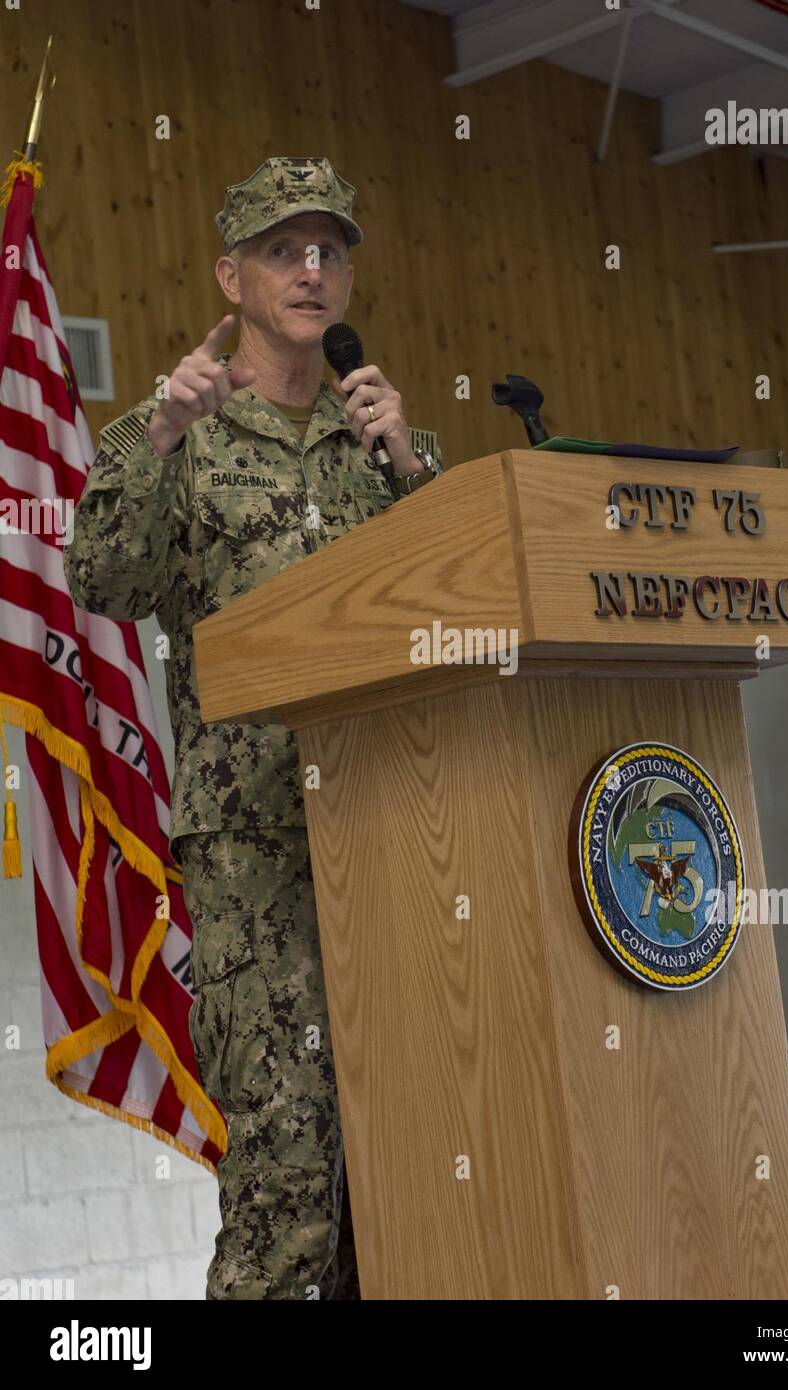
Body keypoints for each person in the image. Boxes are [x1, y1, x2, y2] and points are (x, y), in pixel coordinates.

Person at [63, 156, 443, 1299]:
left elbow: (460, 605)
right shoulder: (181, 434)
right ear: (232, 278)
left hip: (392, 832)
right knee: (288, 1189)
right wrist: (160, 435)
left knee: (407, 1178)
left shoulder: (377, 443)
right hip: (257, 855)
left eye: (329, 251)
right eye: (284, 250)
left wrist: (413, 469)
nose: (311, 270)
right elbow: (101, 578)